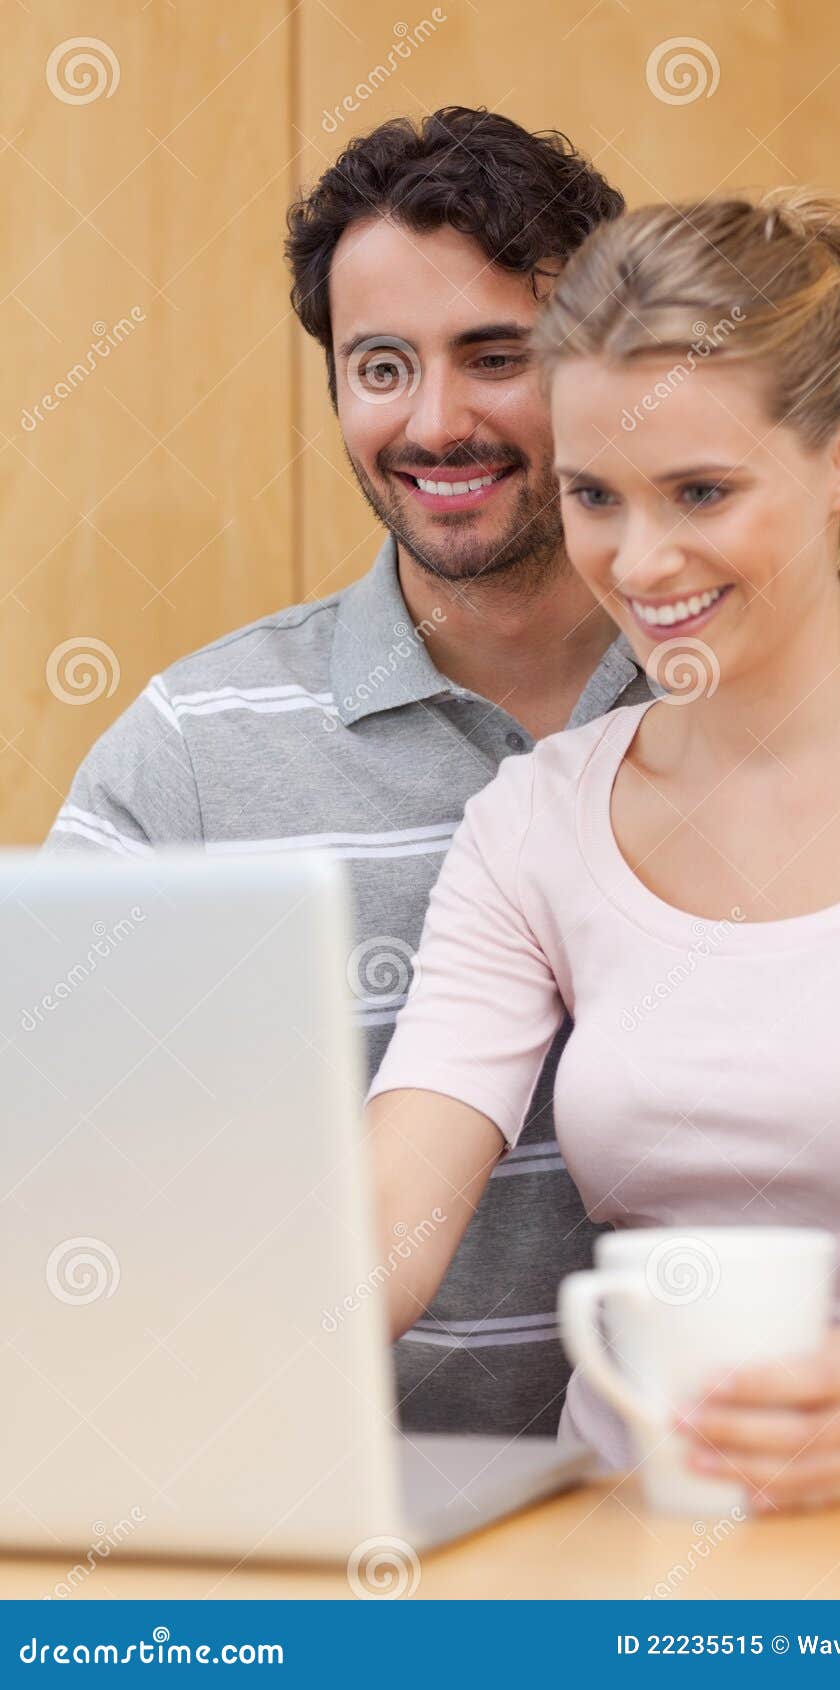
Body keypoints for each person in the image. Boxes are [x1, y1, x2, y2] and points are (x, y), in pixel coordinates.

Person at [364, 187, 840, 1511]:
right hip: (630, 1535)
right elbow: (387, 1220)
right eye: (594, 495)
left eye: (701, 492)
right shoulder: (534, 821)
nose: (641, 562)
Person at [41, 106, 654, 1441]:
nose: (436, 422)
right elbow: (53, 1166)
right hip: (330, 1495)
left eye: (497, 357)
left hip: (708, 1500)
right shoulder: (192, 751)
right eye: (382, 367)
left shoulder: (745, 709)